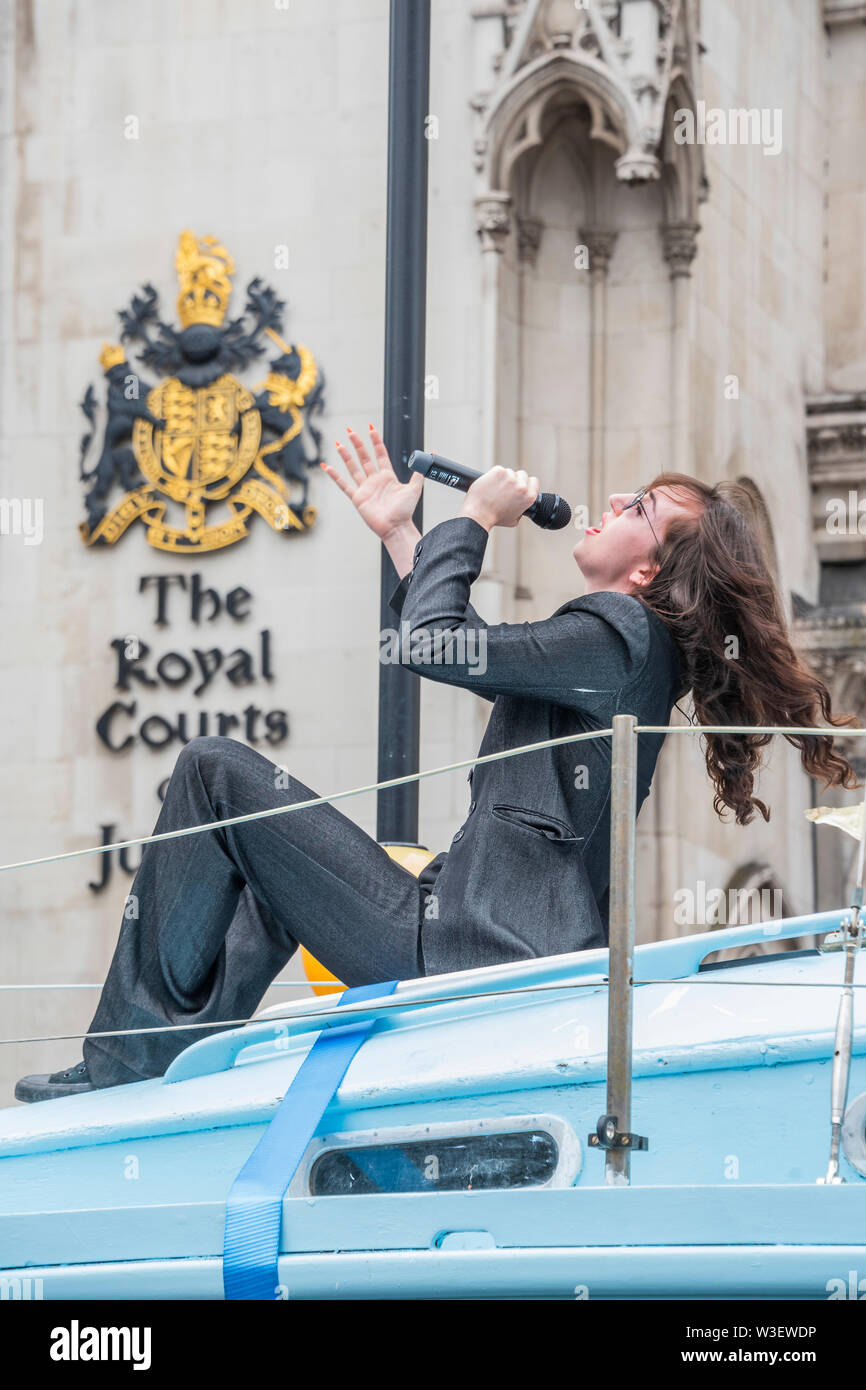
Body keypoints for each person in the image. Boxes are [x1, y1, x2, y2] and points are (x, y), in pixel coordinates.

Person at [16, 426, 857, 1101]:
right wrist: (403, 534)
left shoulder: (621, 635)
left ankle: (129, 1068)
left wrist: (478, 521)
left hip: (466, 954)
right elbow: (469, 652)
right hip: (468, 938)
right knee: (278, 860)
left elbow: (431, 642)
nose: (609, 500)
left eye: (637, 505)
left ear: (645, 570)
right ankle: (173, 1066)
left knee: (213, 770)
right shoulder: (624, 655)